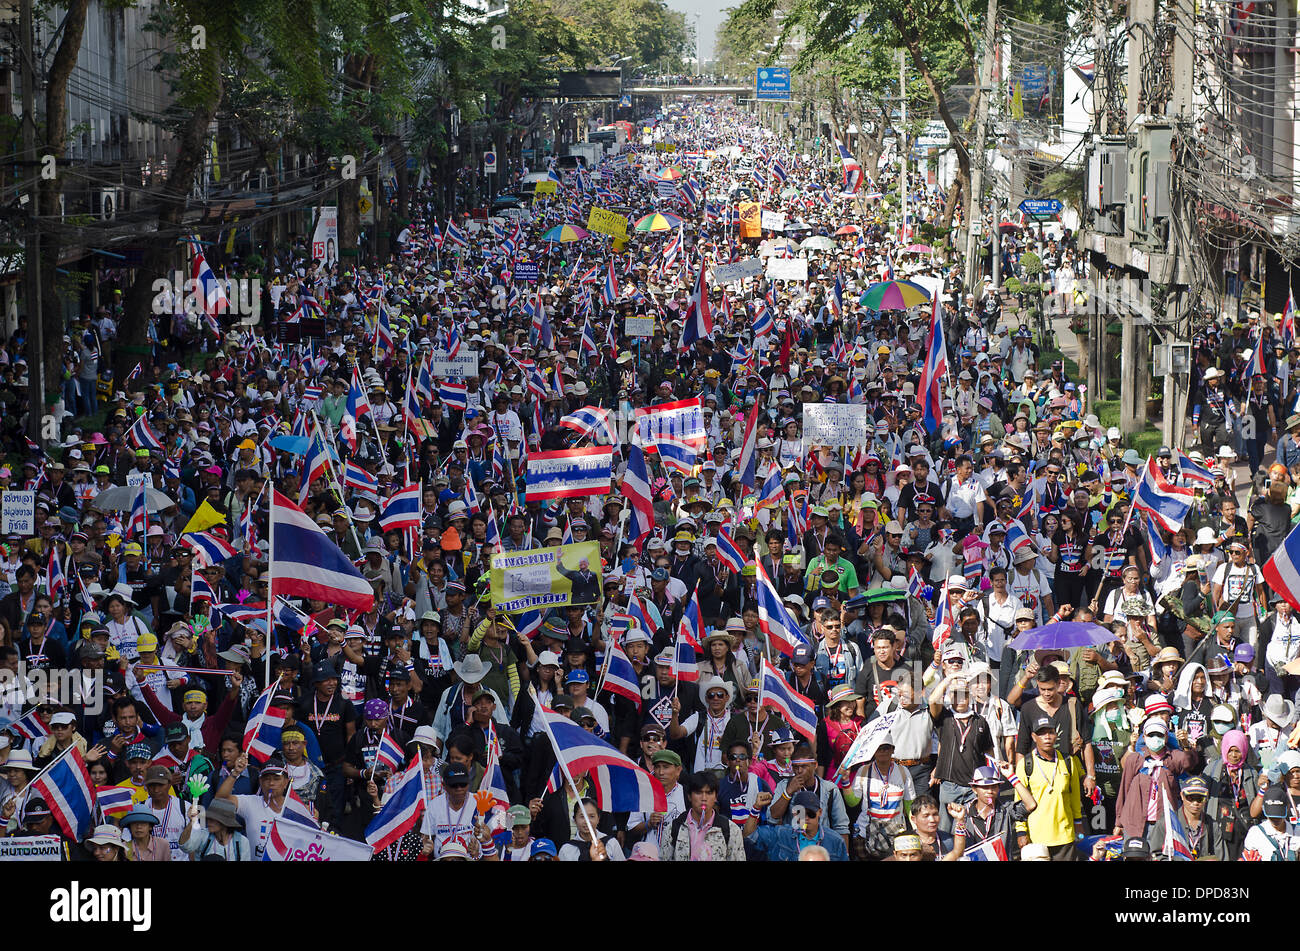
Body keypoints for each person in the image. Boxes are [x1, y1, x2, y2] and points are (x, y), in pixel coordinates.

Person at [742, 789, 850, 861]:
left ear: (820, 813)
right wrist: (756, 808)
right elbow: (749, 835)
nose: (806, 818)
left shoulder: (835, 841)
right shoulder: (780, 834)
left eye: (811, 814)